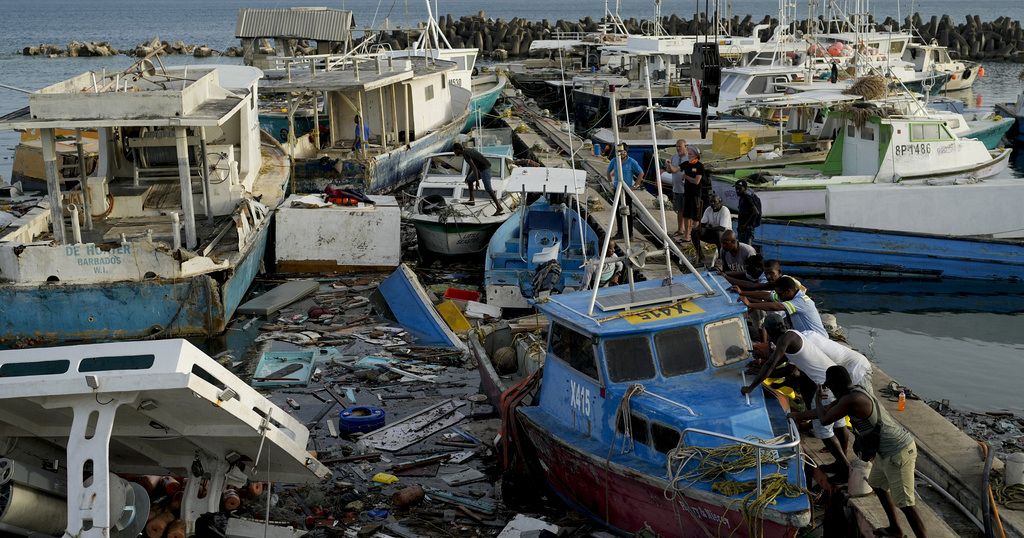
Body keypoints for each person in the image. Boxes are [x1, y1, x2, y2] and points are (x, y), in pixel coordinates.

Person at [809, 366, 927, 538]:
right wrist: (796, 416)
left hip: (898, 451)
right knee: (877, 485)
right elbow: (826, 412)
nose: (829, 388)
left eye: (829, 385)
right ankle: (895, 528)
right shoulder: (851, 393)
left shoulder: (852, 399)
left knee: (906, 503)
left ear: (835, 384)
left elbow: (825, 419)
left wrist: (818, 400)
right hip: (885, 452)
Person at [742, 329, 849, 471]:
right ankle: (844, 459)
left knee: (823, 431)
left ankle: (844, 466)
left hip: (824, 387)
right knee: (839, 424)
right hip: (833, 384)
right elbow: (780, 365)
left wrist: (750, 388)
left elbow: (771, 364)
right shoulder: (795, 335)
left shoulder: (785, 340)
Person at [739, 275, 828, 338]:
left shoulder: (801, 301)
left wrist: (750, 304)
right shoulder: (787, 295)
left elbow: (777, 306)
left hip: (818, 340)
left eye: (779, 294)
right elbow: (766, 295)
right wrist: (742, 292)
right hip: (806, 337)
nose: (777, 296)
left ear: (788, 292)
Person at [453, 142, 504, 215]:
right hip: (480, 169)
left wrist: (477, 181)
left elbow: (474, 168)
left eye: (454, 151)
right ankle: (472, 200)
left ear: (457, 149)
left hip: (485, 169)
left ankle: (499, 207)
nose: (454, 152)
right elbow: (472, 166)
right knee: (469, 180)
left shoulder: (465, 154)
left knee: (488, 189)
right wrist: (467, 177)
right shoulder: (468, 150)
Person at [606, 144, 644, 238]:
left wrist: (635, 185)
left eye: (623, 151)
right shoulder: (614, 161)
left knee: (628, 211)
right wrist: (611, 182)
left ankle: (630, 233)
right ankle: (620, 232)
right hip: (617, 188)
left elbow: (641, 173)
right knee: (617, 210)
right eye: (619, 152)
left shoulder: (631, 161)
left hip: (627, 189)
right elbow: (608, 172)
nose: (622, 153)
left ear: (626, 152)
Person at [692, 195, 732, 266]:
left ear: (720, 202)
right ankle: (700, 254)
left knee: (718, 233)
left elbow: (722, 228)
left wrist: (708, 228)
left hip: (725, 235)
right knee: (694, 232)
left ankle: (721, 258)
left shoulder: (724, 210)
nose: (712, 204)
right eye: (711, 202)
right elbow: (703, 224)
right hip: (713, 232)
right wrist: (698, 228)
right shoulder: (708, 209)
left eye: (715, 202)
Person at [661, 139, 689, 238]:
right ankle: (680, 229)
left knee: (687, 212)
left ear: (685, 146)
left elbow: (673, 169)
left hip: (686, 190)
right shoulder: (674, 157)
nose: (677, 148)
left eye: (679, 146)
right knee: (679, 210)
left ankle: (687, 233)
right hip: (676, 188)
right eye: (676, 146)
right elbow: (669, 171)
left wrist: (669, 165)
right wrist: (667, 165)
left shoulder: (688, 159)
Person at [678, 146, 706, 241]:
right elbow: (675, 169)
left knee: (695, 217)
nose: (688, 155)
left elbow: (697, 181)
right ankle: (686, 235)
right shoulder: (686, 164)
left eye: (690, 154)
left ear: (696, 155)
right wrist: (669, 166)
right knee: (686, 215)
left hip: (695, 194)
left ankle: (694, 235)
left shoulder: (699, 166)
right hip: (687, 193)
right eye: (688, 154)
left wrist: (686, 176)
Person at [734, 180, 762, 245]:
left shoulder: (747, 197)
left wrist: (745, 225)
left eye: (739, 188)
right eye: (736, 188)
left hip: (747, 229)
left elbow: (755, 212)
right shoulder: (742, 197)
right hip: (742, 228)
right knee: (742, 248)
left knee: (747, 248)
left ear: (745, 188)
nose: (737, 190)